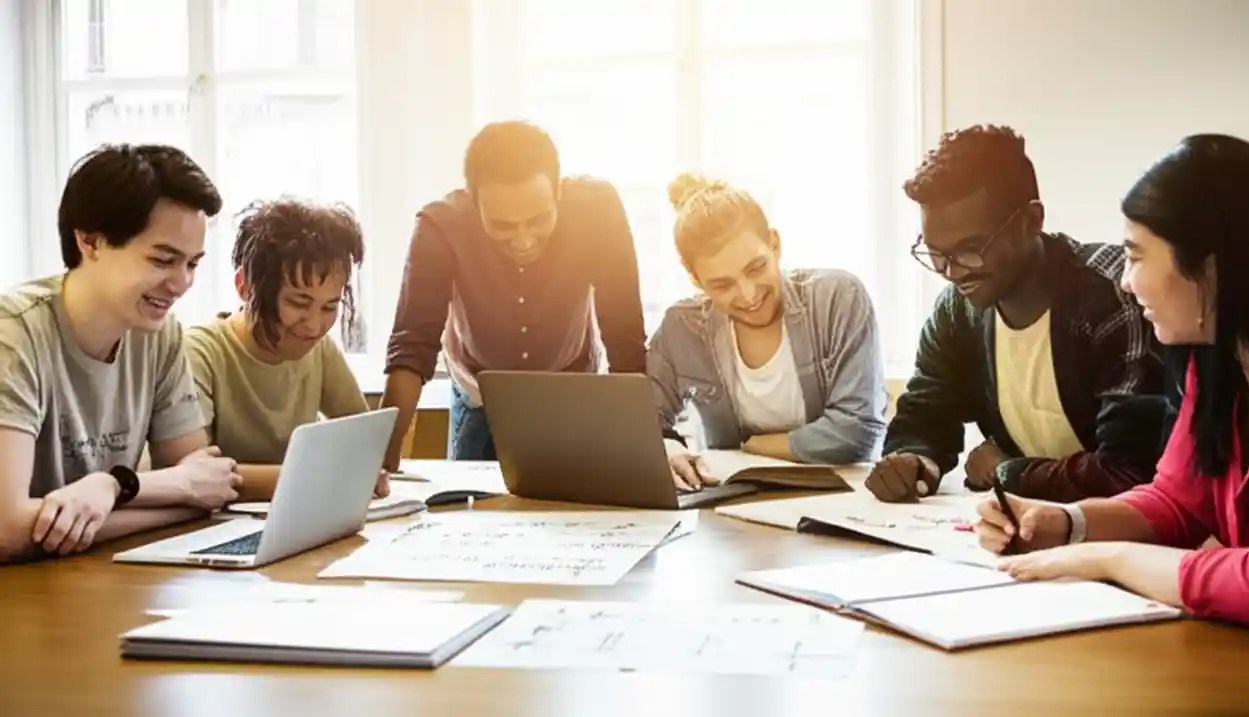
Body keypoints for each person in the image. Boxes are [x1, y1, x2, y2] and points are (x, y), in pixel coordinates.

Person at [977, 134, 1249, 632]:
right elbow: (1177, 503)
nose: (1124, 280)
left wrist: (1109, 559)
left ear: (1210, 267)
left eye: (1136, 256)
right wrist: (1066, 523)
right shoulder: (1213, 368)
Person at [867, 125, 1165, 504]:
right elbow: (928, 408)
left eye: (971, 249)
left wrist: (1009, 472)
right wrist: (914, 459)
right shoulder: (957, 309)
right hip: (1033, 534)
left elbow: (1130, 472)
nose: (953, 272)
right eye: (937, 254)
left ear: (1031, 222)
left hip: (1129, 541)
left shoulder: (1114, 296)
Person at [0, 144, 242, 563]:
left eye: (193, 264)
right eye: (163, 260)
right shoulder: (14, 337)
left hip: (85, 576)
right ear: (91, 241)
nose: (182, 283)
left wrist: (110, 487)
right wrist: (136, 492)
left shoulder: (159, 335)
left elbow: (205, 484)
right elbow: (7, 531)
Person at [379, 121, 647, 466]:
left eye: (538, 219)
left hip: (573, 388)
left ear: (558, 192)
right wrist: (383, 459)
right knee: (472, 512)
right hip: (479, 394)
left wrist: (640, 448)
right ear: (473, 204)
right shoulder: (440, 226)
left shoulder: (597, 210)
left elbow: (625, 337)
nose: (522, 240)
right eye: (502, 225)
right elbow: (412, 345)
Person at [648, 174, 887, 490]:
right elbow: (644, 423)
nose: (748, 295)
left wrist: (751, 446)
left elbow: (858, 430)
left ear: (774, 244)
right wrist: (668, 446)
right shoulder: (682, 328)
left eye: (756, 268)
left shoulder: (838, 299)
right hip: (731, 503)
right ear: (696, 280)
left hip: (841, 495)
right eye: (722, 285)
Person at [183, 198, 387, 502]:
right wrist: (322, 478)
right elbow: (192, 474)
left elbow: (365, 443)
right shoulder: (199, 353)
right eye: (298, 303)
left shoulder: (318, 350)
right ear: (245, 286)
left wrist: (364, 471)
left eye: (330, 306)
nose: (314, 326)